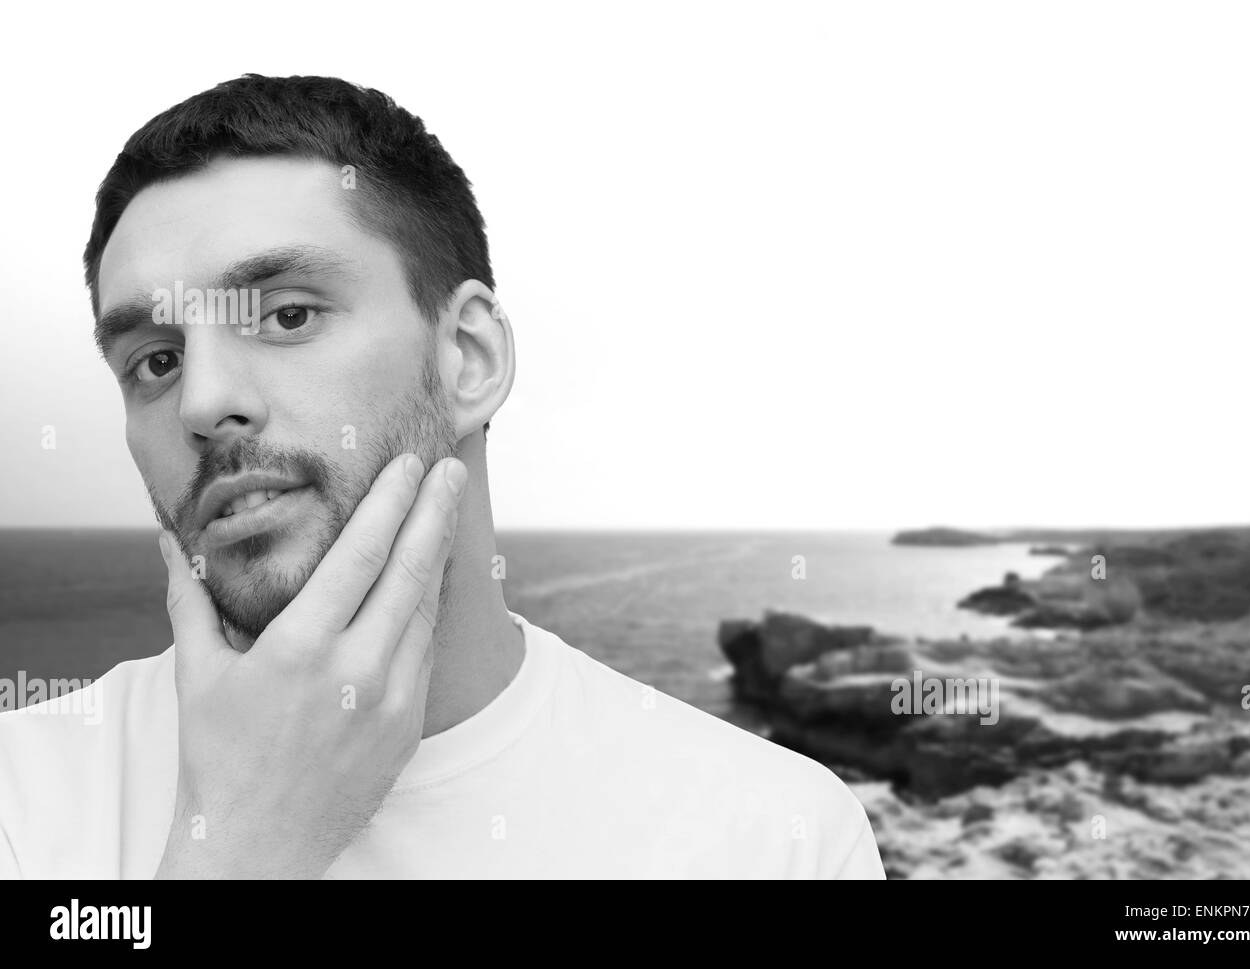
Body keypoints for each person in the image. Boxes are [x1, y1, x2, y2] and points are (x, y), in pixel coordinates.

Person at [0, 75, 886, 879]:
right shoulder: (22, 800)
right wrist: (240, 844)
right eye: (153, 360)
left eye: (288, 313)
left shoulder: (777, 837)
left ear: (468, 356)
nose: (203, 400)